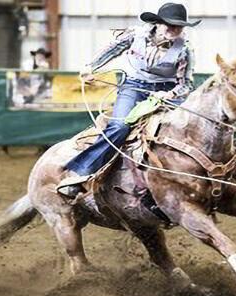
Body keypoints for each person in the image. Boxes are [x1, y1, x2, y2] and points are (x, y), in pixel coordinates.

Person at [57, 2, 199, 198]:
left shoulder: (185, 48)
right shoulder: (135, 35)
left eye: (179, 26)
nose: (175, 30)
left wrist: (170, 95)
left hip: (165, 91)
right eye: (170, 25)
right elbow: (112, 50)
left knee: (189, 127)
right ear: (158, 24)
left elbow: (186, 84)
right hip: (134, 87)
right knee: (119, 126)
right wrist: (91, 67)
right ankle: (82, 172)